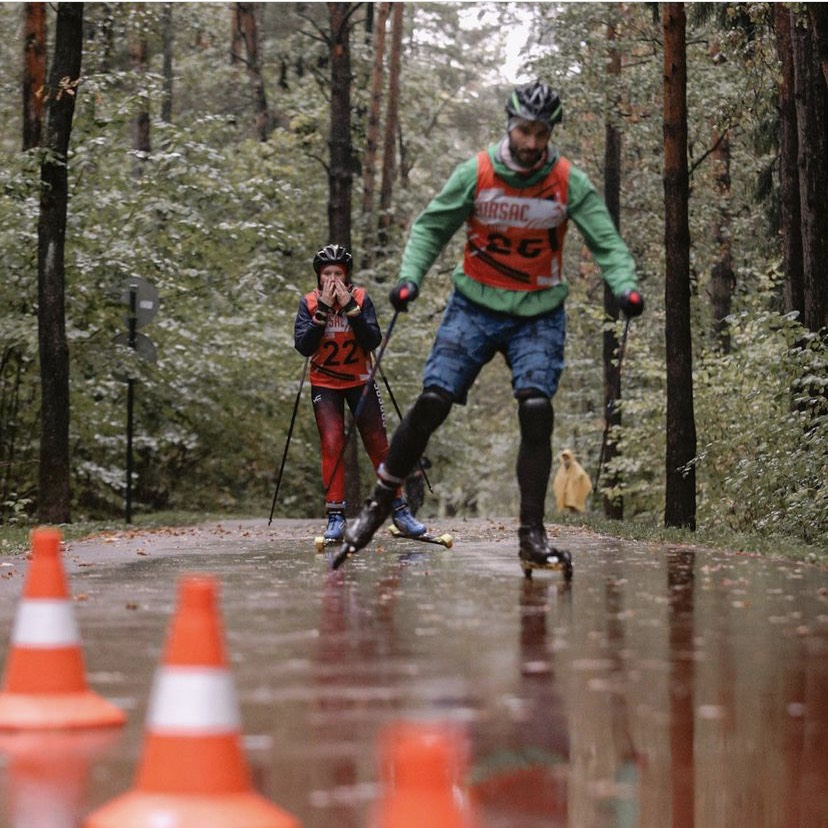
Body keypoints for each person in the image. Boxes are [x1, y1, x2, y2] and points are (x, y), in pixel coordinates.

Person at [341, 80, 644, 573]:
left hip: (540, 312)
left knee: (537, 408)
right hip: (474, 306)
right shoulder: (478, 173)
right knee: (434, 398)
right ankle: (377, 507)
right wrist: (409, 278)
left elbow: (606, 242)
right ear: (510, 125)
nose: (530, 143)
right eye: (524, 130)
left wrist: (625, 286)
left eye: (540, 133)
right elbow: (432, 225)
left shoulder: (567, 181)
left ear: (549, 133)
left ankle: (532, 533)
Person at [293, 244, 425, 542]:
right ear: (318, 276)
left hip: (360, 381)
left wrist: (352, 310)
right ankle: (335, 517)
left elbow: (373, 339)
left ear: (347, 275)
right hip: (325, 383)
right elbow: (303, 346)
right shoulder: (310, 302)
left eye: (338, 273)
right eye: (327, 273)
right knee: (331, 443)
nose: (332, 279)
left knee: (379, 444)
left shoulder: (361, 299)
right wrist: (323, 311)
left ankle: (400, 511)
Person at [552, 448, 592, 514]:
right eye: (564, 459)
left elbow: (582, 475)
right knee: (569, 507)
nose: (566, 461)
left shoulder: (575, 466)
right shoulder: (562, 468)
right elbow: (558, 480)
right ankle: (572, 518)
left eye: (567, 458)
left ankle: (576, 517)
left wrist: (576, 480)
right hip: (566, 492)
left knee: (574, 506)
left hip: (574, 492)